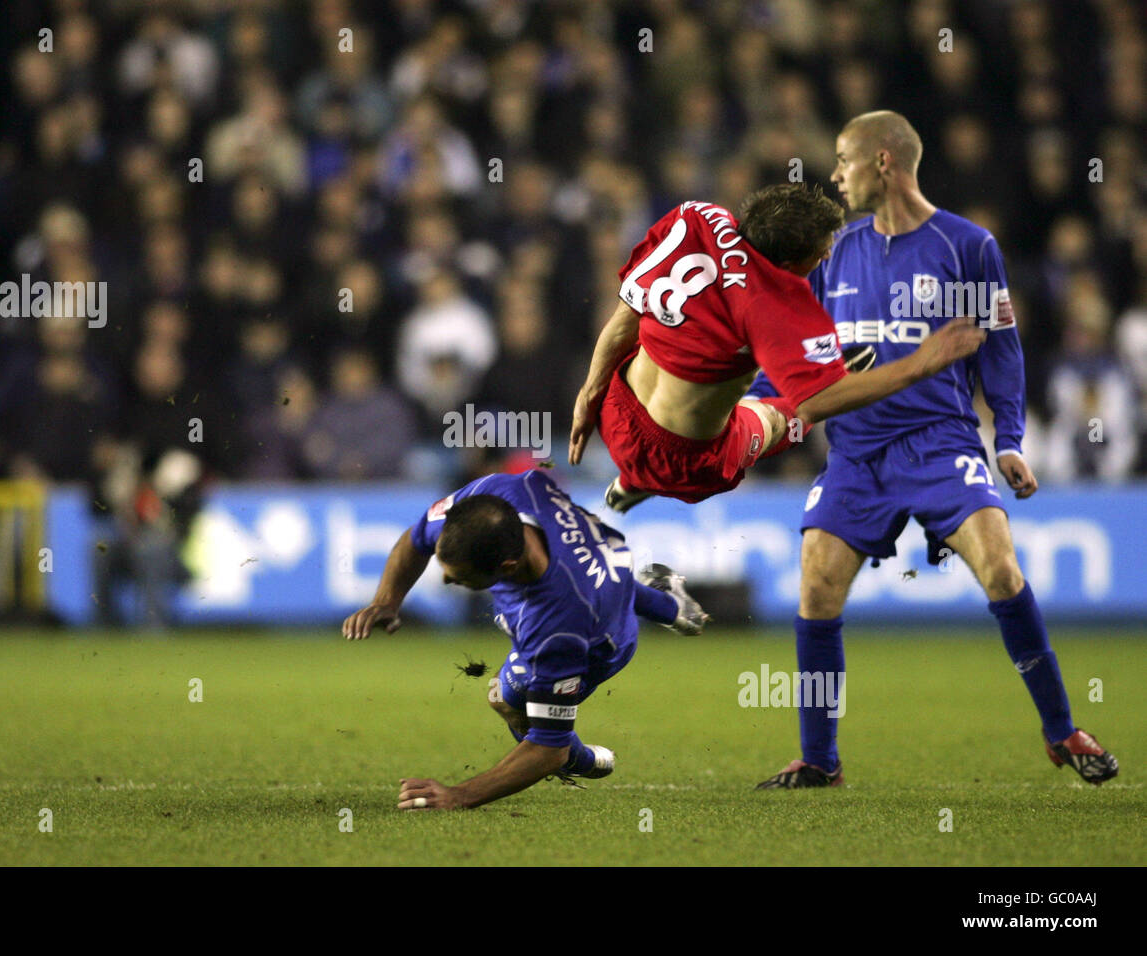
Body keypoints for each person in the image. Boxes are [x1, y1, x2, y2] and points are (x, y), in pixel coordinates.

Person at [746, 111, 1117, 788]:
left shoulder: (968, 245)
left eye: (842, 161)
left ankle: (1062, 730)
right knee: (817, 585)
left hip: (940, 443)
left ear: (883, 162)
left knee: (1002, 570)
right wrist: (753, 407)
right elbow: (792, 354)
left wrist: (1007, 438)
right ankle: (820, 761)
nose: (833, 176)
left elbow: (1001, 348)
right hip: (856, 452)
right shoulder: (835, 252)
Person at [567, 183, 986, 513]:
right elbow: (821, 404)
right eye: (821, 253)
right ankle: (829, 368)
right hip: (685, 464)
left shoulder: (696, 216)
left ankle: (633, 478)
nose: (825, 257)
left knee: (661, 339)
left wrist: (589, 395)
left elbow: (626, 316)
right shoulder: (776, 306)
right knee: (787, 416)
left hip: (615, 407)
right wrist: (920, 363)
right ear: (788, 265)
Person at [341, 468, 707, 810]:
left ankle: (585, 760)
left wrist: (458, 795)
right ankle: (673, 605)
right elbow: (417, 537)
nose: (447, 582)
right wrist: (386, 601)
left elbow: (547, 750)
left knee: (508, 699)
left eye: (461, 578)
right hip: (602, 567)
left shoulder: (558, 625)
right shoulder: (496, 494)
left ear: (507, 569)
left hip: (603, 642)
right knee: (611, 587)